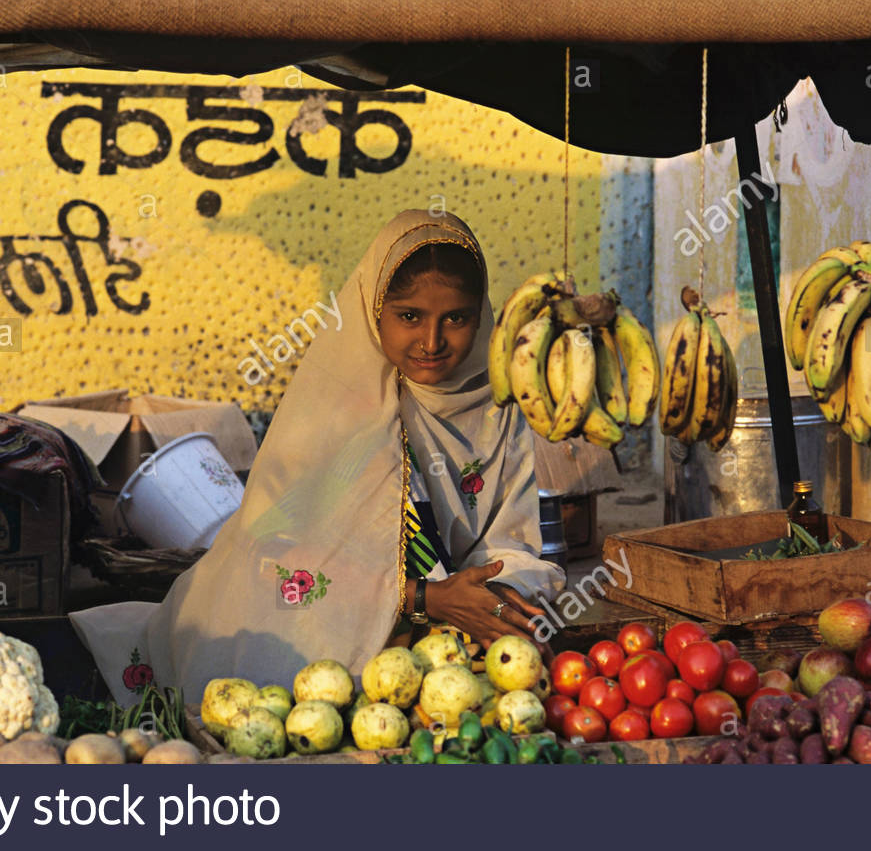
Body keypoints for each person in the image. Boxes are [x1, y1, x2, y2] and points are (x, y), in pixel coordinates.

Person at [70, 209, 565, 704]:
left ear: (482, 317)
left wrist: (493, 598)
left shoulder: (496, 409)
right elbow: (270, 552)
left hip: (450, 624)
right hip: (327, 617)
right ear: (374, 310)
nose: (432, 341)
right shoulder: (337, 411)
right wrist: (424, 598)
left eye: (456, 318)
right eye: (409, 316)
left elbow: (510, 537)